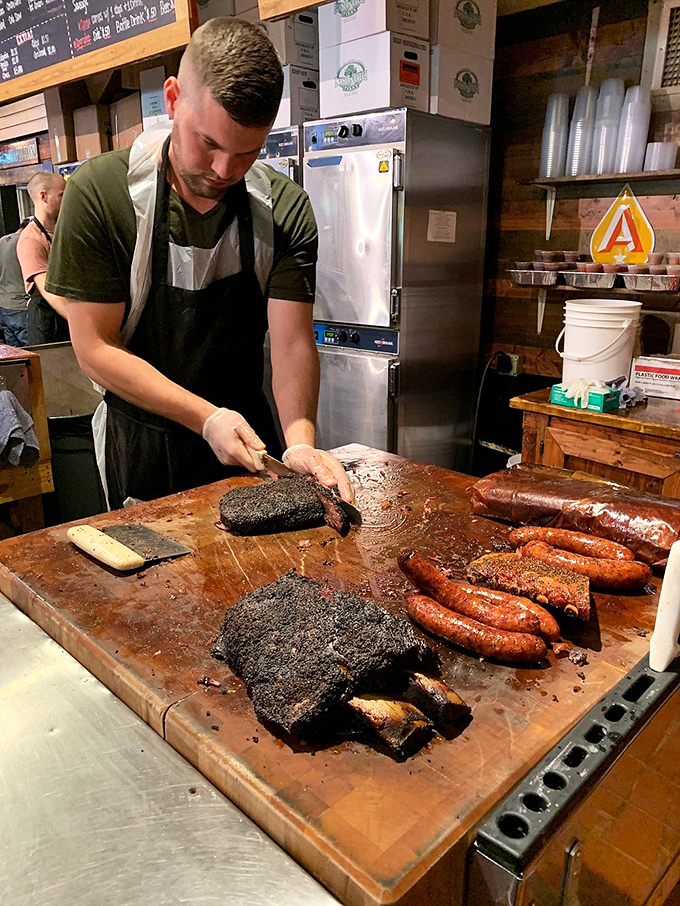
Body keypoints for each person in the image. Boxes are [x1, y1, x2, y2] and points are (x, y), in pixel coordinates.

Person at [45, 17, 353, 510]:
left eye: (248, 152)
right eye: (209, 143)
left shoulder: (283, 208)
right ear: (172, 99)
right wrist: (207, 418)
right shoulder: (101, 195)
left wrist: (299, 440)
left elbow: (293, 343)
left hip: (248, 449)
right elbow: (95, 348)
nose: (224, 171)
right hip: (142, 451)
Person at [17, 172, 69, 345]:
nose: (67, 199)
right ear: (44, 197)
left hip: (68, 314)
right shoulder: (31, 239)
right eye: (62, 195)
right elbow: (49, 291)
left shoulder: (64, 231)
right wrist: (81, 321)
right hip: (48, 324)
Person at [0, 218, 31, 346]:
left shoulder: (2, 241)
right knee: (33, 353)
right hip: (21, 306)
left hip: (4, 307)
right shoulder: (26, 243)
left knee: (16, 357)